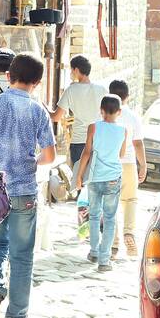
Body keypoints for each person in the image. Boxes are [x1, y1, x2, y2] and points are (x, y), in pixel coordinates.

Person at [0, 53, 57, 318]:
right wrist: (30, 161)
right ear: (37, 82)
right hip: (24, 191)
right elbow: (49, 155)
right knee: (22, 255)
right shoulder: (38, 111)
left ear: (8, 76)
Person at [74, 94, 129, 272]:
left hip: (95, 177)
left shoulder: (93, 127)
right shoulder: (123, 131)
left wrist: (80, 176)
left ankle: (94, 251)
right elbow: (120, 155)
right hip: (113, 177)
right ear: (119, 112)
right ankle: (105, 261)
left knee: (95, 215)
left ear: (101, 110)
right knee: (111, 218)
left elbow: (87, 153)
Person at [51, 55, 107, 225]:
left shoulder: (71, 90)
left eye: (71, 69)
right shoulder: (102, 89)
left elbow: (55, 117)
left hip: (79, 143)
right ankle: (99, 220)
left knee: (81, 183)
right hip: (99, 141)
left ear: (76, 70)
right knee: (97, 183)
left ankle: (84, 224)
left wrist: (42, 109)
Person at [108, 80, 147, 257]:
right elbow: (138, 143)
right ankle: (129, 231)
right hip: (129, 163)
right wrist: (143, 165)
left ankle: (114, 242)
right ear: (127, 96)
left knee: (111, 204)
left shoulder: (105, 115)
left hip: (109, 165)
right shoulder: (132, 116)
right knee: (130, 199)